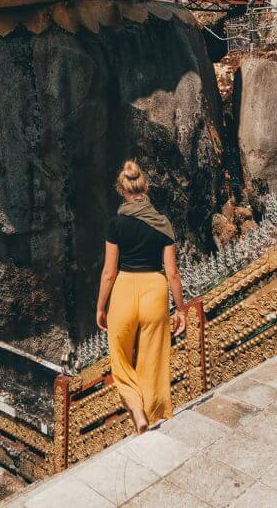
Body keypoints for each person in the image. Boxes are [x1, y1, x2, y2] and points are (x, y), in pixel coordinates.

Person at [95, 161, 186, 434]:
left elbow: (109, 272)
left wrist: (100, 307)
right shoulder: (163, 224)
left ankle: (137, 410)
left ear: (122, 190)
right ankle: (150, 412)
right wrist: (180, 309)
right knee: (153, 358)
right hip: (155, 292)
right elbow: (172, 273)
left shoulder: (116, 224)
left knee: (120, 358)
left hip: (123, 290)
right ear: (145, 187)